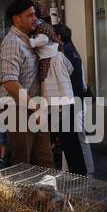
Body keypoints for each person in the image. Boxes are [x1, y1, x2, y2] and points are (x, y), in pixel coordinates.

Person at [0, 0, 54, 167]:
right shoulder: (12, 43)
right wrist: (34, 107)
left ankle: (46, 194)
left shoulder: (28, 40)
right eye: (30, 15)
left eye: (35, 14)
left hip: (33, 106)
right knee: (23, 163)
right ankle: (22, 194)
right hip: (17, 109)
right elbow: (10, 82)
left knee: (45, 158)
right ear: (17, 19)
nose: (35, 18)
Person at [33, 23, 87, 175]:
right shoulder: (62, 53)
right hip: (65, 101)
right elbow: (71, 71)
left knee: (66, 142)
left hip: (57, 104)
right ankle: (80, 176)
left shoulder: (51, 57)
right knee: (71, 143)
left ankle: (78, 176)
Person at [54, 23, 94, 175]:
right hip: (77, 99)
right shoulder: (72, 51)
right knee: (72, 137)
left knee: (77, 137)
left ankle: (87, 172)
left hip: (73, 100)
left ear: (58, 36)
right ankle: (70, 170)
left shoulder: (65, 53)